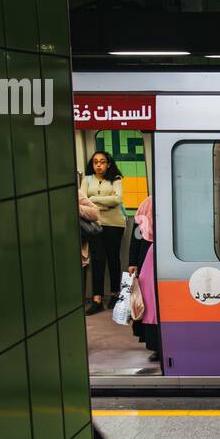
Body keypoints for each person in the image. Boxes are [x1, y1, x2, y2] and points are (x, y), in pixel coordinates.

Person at [81, 151, 125, 315]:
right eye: (95, 162)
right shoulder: (87, 180)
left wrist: (93, 200)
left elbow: (117, 200)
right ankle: (97, 299)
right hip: (93, 224)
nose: (98, 165)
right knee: (98, 260)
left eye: (102, 162)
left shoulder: (116, 180)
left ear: (108, 164)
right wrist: (105, 203)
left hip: (114, 224)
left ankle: (115, 294)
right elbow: (81, 201)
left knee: (113, 258)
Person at [126, 197, 160, 362]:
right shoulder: (147, 205)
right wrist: (132, 261)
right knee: (150, 303)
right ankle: (156, 346)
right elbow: (137, 236)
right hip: (145, 256)